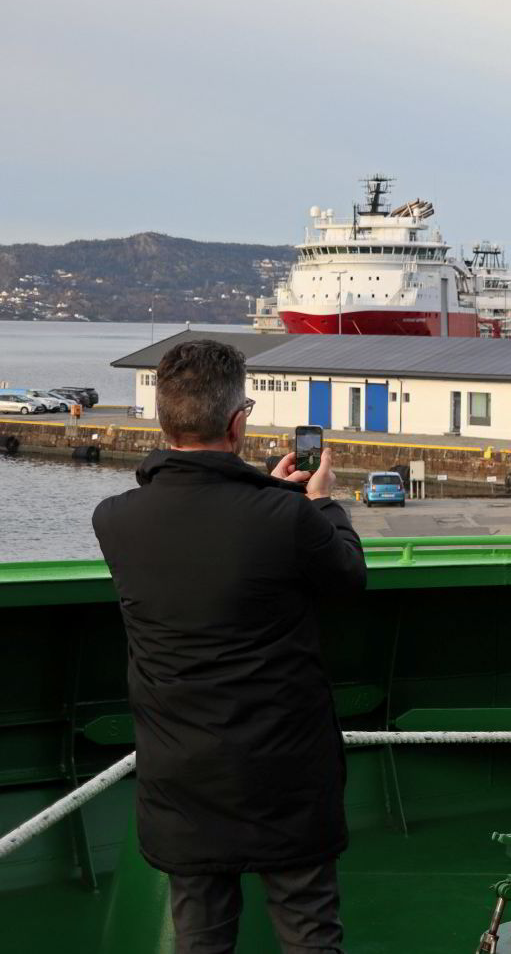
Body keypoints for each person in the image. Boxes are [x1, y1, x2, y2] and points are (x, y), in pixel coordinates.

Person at [92, 339, 367, 954]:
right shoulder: (285, 517)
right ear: (239, 420)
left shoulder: (115, 518)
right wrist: (318, 501)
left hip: (181, 769)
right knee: (309, 929)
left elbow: (204, 538)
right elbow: (347, 576)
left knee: (201, 935)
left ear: (166, 418)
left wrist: (264, 494)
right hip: (285, 770)